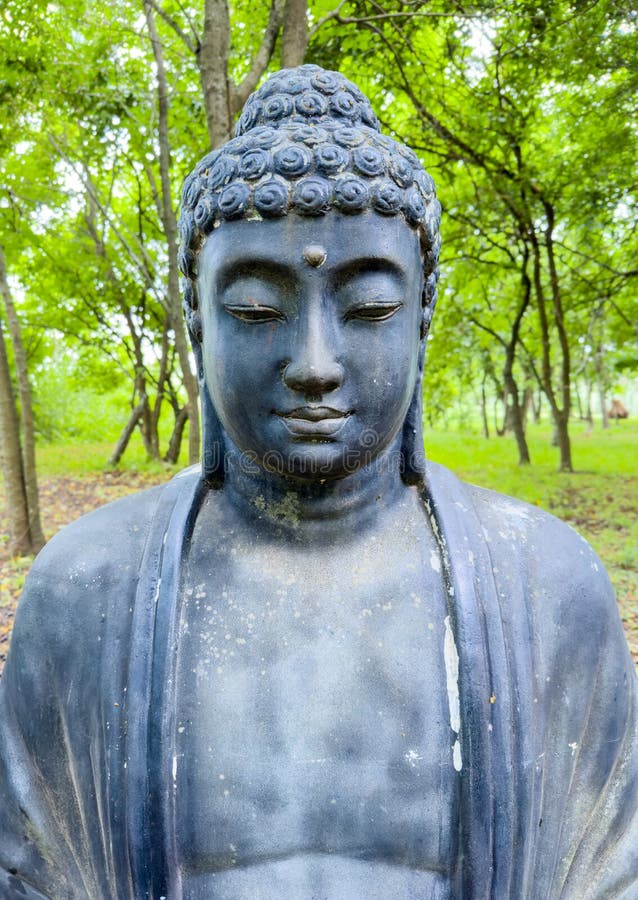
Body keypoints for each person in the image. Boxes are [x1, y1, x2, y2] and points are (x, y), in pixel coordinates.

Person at [0, 65, 636, 900]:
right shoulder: (86, 587)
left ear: (420, 319)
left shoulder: (548, 584)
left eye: (368, 308)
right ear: (199, 320)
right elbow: (33, 876)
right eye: (258, 312)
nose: (314, 365)